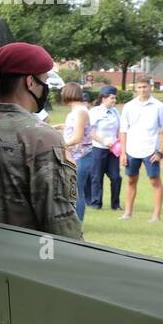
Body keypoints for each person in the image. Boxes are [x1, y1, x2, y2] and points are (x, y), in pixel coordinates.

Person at [0, 42, 83, 239]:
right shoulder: (43, 138)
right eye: (44, 80)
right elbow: (60, 221)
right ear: (30, 82)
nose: (46, 87)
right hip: (25, 256)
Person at [118, 79, 163, 222]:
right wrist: (123, 153)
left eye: (145, 87)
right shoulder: (129, 106)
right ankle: (128, 213)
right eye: (139, 87)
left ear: (150, 87)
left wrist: (160, 151)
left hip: (151, 150)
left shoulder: (159, 106)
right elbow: (123, 131)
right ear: (135, 88)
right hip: (131, 149)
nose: (142, 90)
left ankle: (156, 215)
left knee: (155, 181)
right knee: (130, 180)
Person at [85, 85, 122, 210]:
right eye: (112, 98)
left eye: (115, 98)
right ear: (103, 98)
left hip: (113, 150)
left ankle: (115, 204)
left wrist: (118, 142)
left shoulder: (115, 112)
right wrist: (103, 141)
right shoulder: (94, 112)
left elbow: (119, 129)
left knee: (116, 177)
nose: (114, 101)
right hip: (99, 148)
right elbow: (89, 131)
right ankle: (96, 203)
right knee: (97, 176)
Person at [59, 83, 92, 222]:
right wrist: (61, 127)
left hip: (81, 157)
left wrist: (60, 146)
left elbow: (78, 137)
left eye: (62, 92)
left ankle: (77, 223)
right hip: (74, 156)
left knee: (76, 192)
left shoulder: (80, 111)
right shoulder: (76, 111)